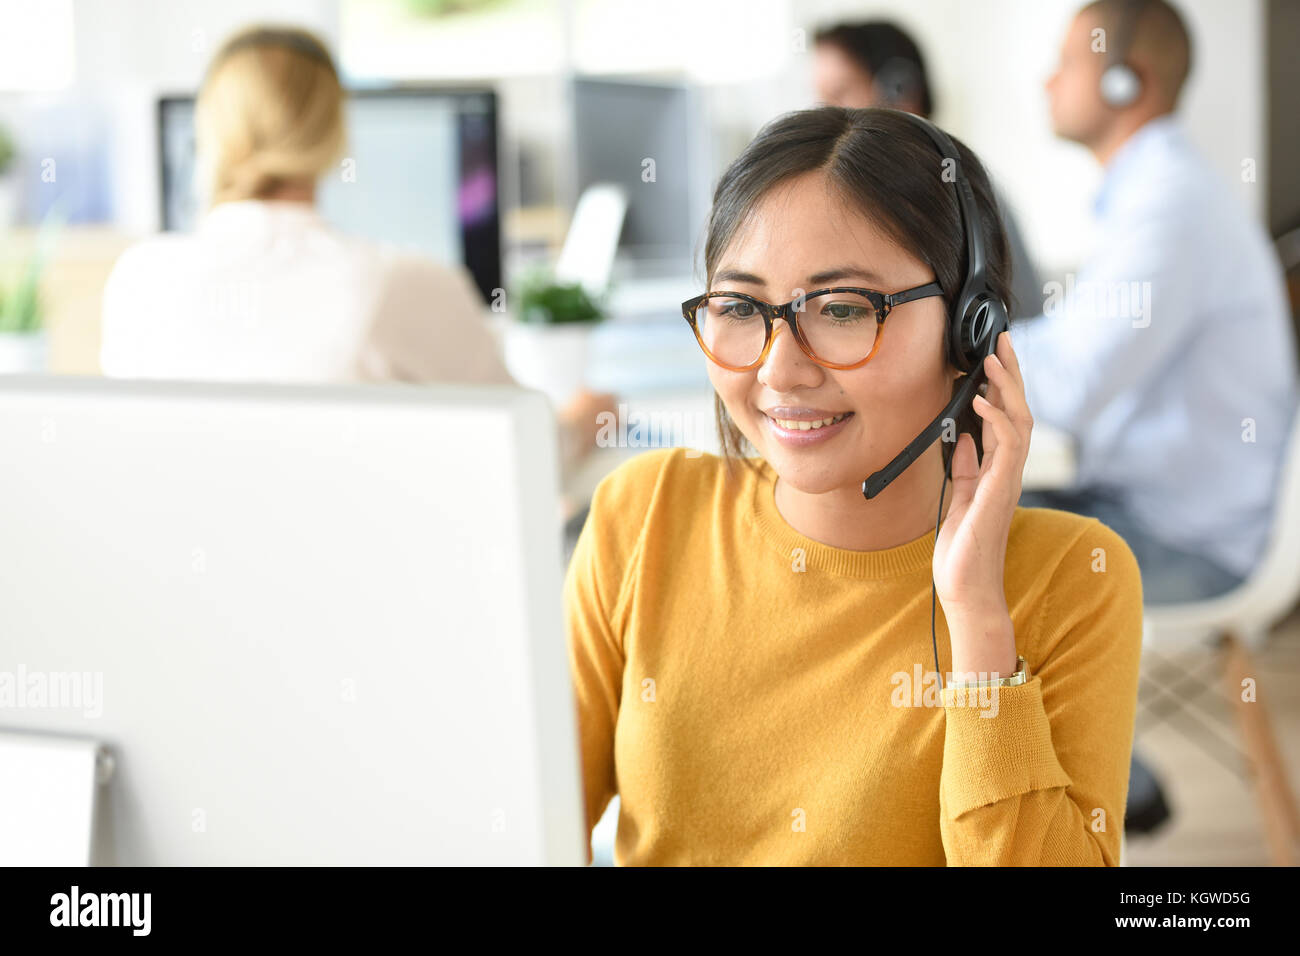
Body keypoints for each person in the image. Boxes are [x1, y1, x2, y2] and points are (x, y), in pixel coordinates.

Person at [564, 106, 1143, 865]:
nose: (778, 370)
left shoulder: (1073, 579)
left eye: (840, 309)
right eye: (740, 307)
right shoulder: (642, 512)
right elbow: (523, 815)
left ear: (971, 328)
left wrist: (976, 622)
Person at [1012, 0, 1299, 837]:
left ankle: (1084, 798)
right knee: (953, 524)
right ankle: (1105, 779)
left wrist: (936, 351)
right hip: (1163, 511)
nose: (1047, 80)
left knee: (947, 543)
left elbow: (1066, 383)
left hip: (1195, 544)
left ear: (1121, 77)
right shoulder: (1153, 194)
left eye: (1067, 60)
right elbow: (1069, 351)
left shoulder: (1168, 205)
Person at [101, 25, 611, 475]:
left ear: (208, 130)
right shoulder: (398, 282)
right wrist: (583, 422)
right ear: (335, 134)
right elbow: (528, 452)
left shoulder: (137, 280)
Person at [811, 20, 1045, 321]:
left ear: (898, 91)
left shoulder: (963, 194)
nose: (822, 114)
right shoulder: (837, 195)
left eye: (839, 93)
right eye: (820, 98)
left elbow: (1023, 329)